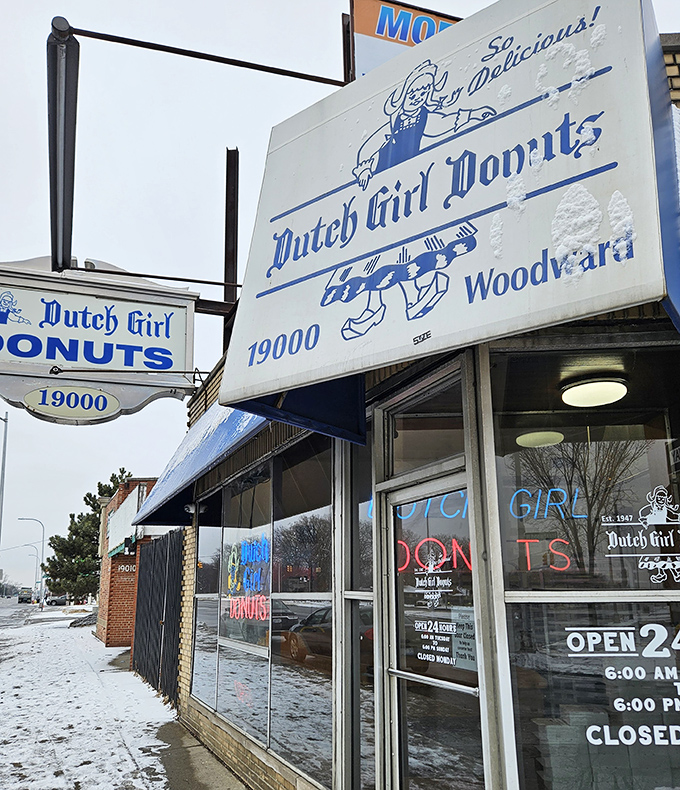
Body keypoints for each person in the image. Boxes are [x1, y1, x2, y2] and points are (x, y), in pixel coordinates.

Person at [352, 60, 496, 190]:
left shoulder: (423, 117)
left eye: (423, 94)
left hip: (409, 176)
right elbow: (367, 148)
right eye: (413, 95)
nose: (417, 99)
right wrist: (365, 169)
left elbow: (443, 122)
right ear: (403, 95)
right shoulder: (393, 123)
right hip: (383, 175)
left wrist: (472, 114)